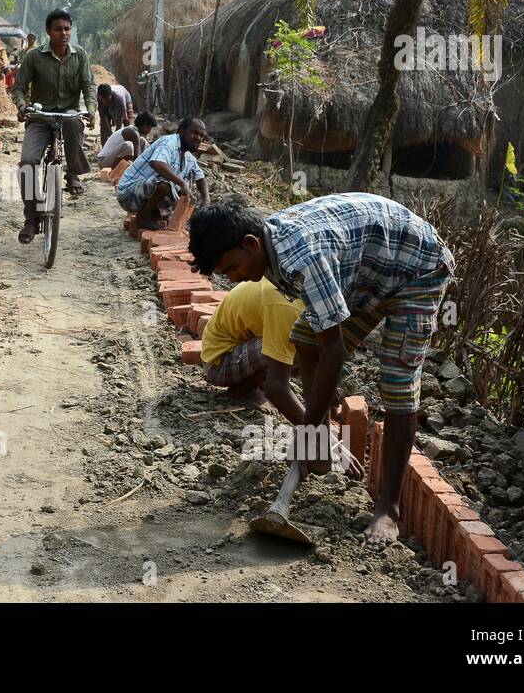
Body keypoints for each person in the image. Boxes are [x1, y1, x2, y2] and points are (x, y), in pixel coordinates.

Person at [187, 193, 455, 546]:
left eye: (232, 268)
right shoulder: (272, 251)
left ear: (251, 244)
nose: (234, 279)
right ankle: (319, 441)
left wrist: (310, 429)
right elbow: (319, 339)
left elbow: (335, 351)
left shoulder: (302, 259)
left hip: (417, 269)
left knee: (397, 381)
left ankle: (389, 508)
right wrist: (316, 426)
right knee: (304, 337)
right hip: (371, 274)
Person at [11, 10, 97, 244]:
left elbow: (89, 86)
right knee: (27, 163)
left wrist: (91, 108)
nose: (63, 33)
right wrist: (22, 106)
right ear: (48, 32)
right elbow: (18, 88)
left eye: (67, 29)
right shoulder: (34, 57)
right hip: (40, 117)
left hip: (66, 114)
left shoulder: (80, 55)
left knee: (72, 120)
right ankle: (31, 218)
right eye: (58, 29)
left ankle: (72, 174)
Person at [198, 277, 306, 418]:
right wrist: (315, 431)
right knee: (296, 345)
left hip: (235, 351)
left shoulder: (294, 285)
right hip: (219, 363)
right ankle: (245, 391)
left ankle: (258, 382)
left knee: (299, 347)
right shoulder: (289, 306)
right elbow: (278, 387)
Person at [115, 116, 209, 230]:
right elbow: (156, 162)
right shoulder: (169, 142)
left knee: (183, 193)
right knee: (165, 182)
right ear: (181, 131)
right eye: (194, 133)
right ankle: (144, 217)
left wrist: (206, 200)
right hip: (128, 194)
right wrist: (182, 183)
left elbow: (200, 177)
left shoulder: (189, 157)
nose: (198, 138)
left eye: (201, 136)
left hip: (142, 193)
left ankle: (154, 215)